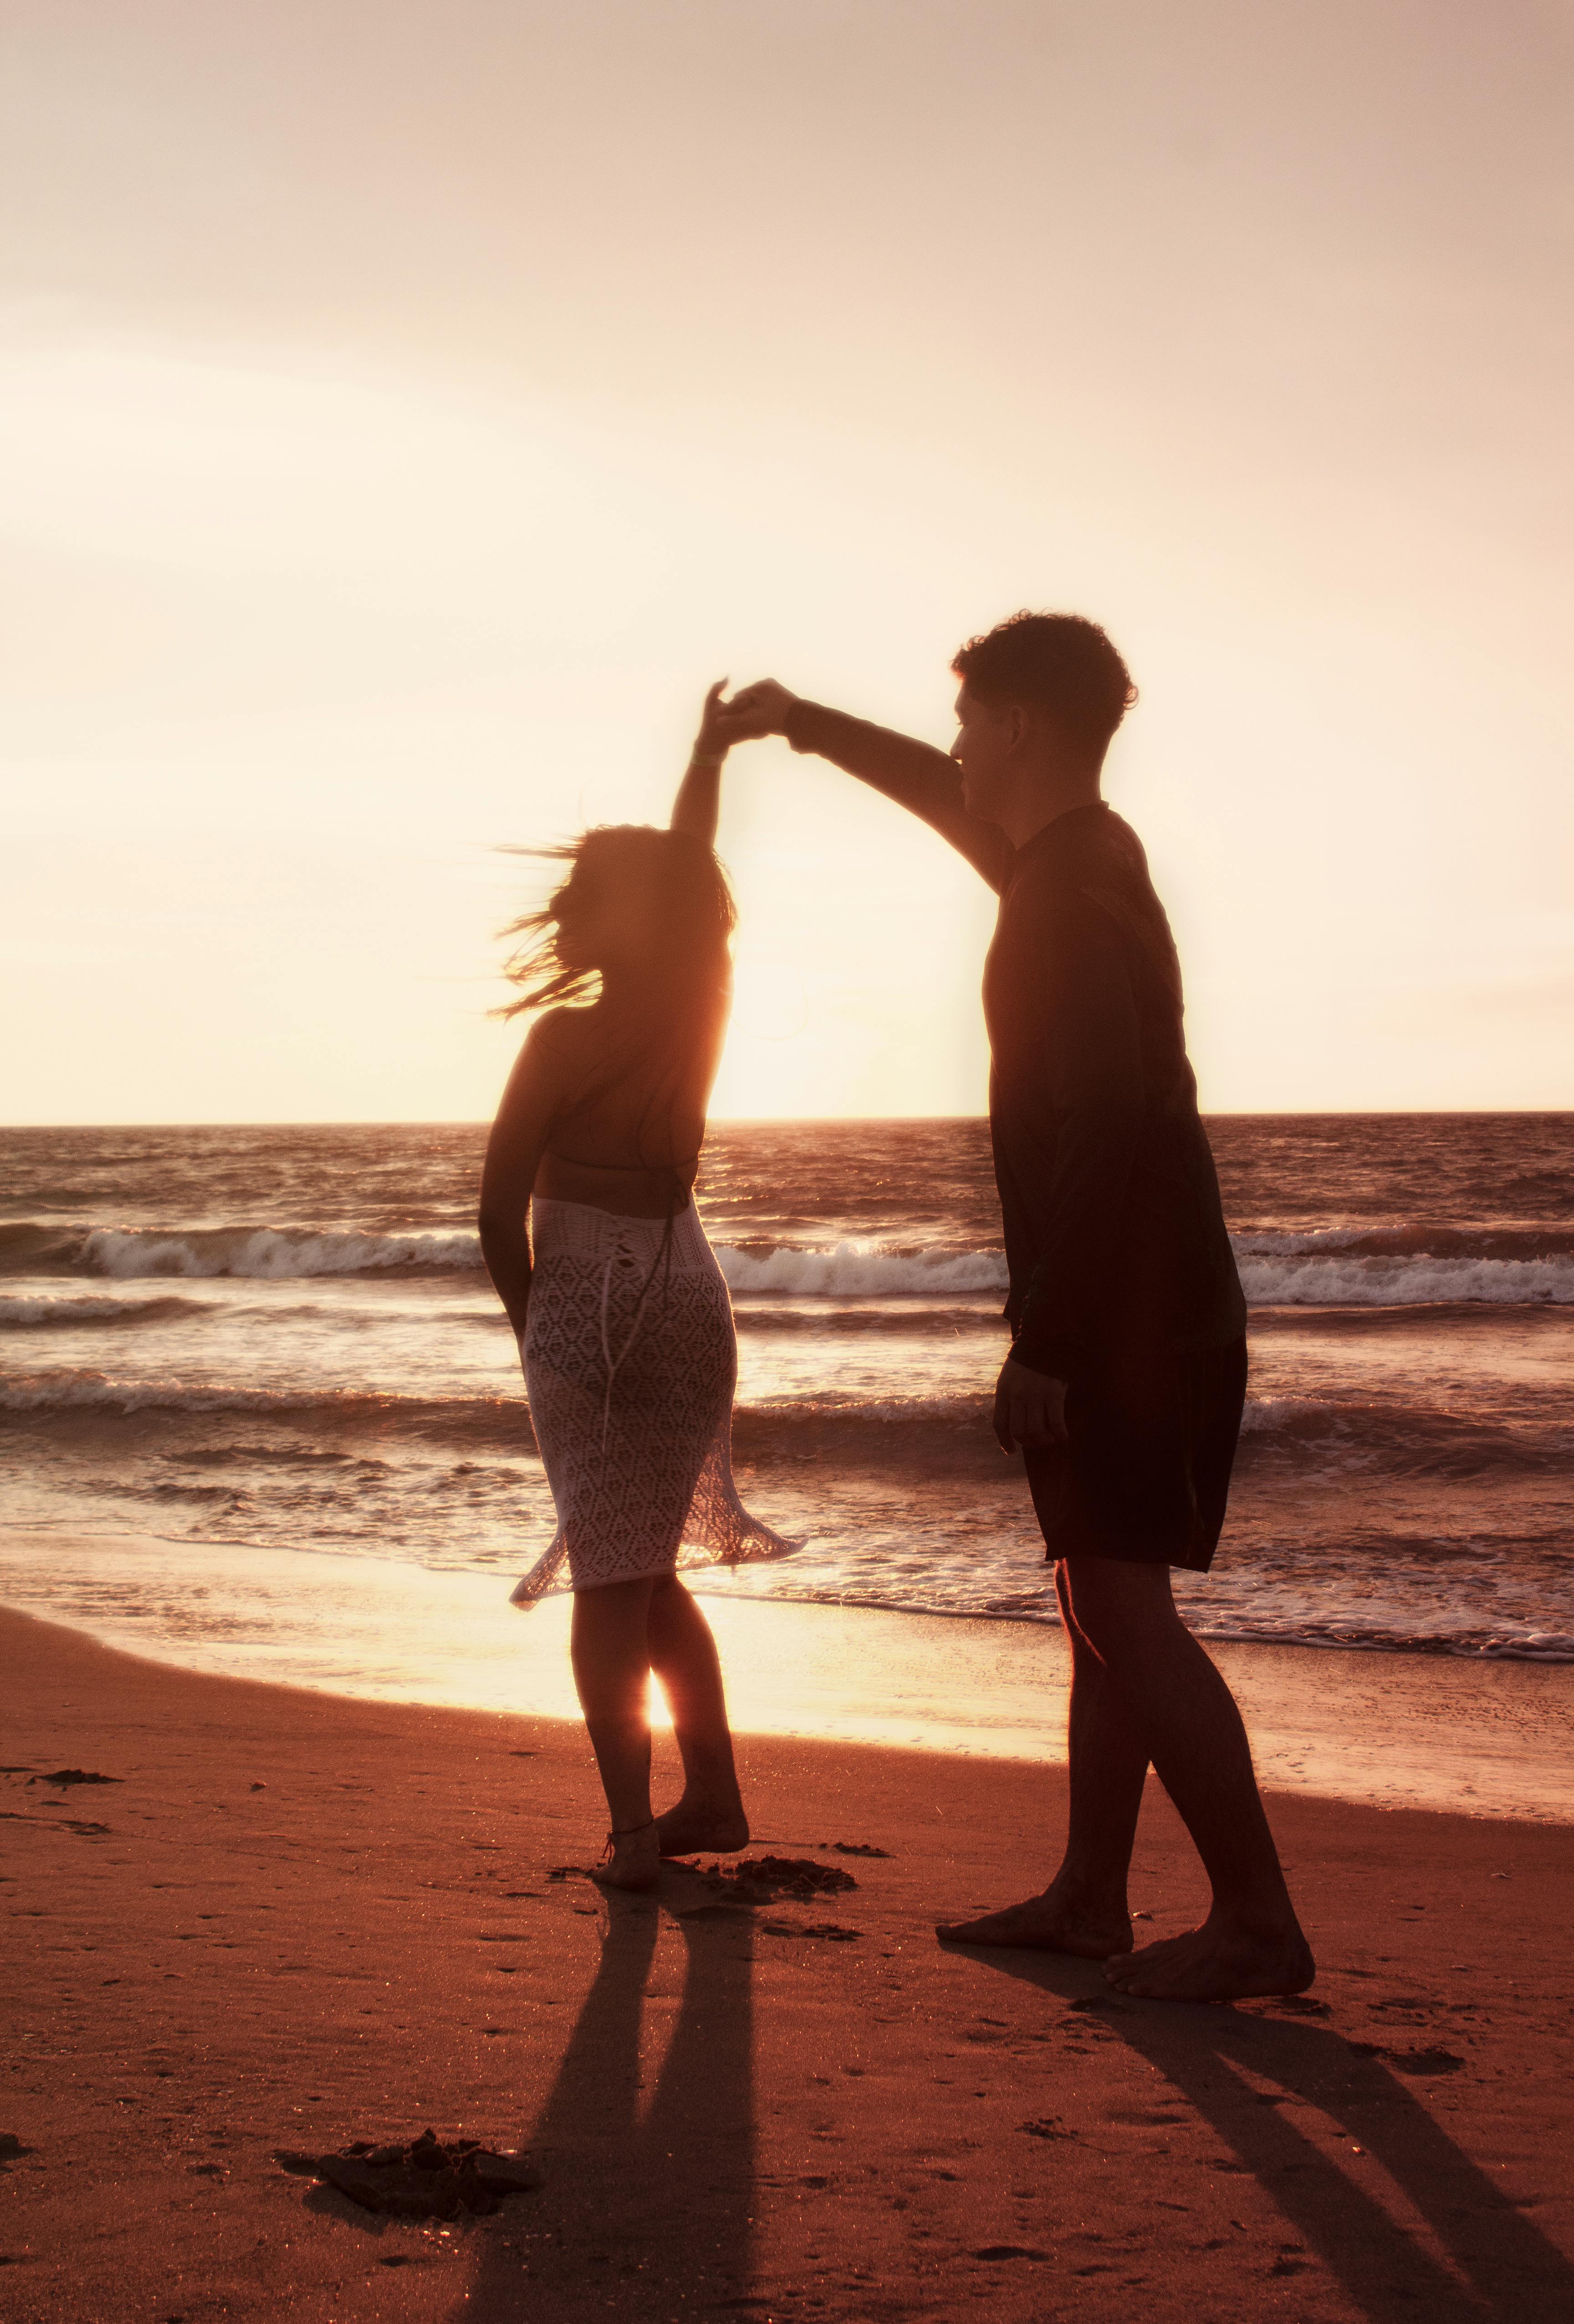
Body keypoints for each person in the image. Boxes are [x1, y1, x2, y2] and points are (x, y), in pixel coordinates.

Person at [721, 616, 1313, 2002]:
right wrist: (806, 721)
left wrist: (1047, 1338)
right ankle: (1092, 1897)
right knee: (1097, 1593)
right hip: (1161, 1301)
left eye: (973, 724)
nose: (959, 751)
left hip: (1124, 1317)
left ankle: (1258, 1919)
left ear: (1024, 729)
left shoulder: (1057, 900)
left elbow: (1108, 1123)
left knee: (1121, 1605)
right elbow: (943, 797)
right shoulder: (1086, 861)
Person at [478, 683, 795, 1894]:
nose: (560, 915)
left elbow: (495, 1210)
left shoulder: (564, 1043)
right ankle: (709, 1794)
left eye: (580, 899)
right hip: (689, 1297)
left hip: (592, 1310)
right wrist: (710, 755)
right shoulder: (696, 1009)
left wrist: (540, 1334)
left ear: (628, 915)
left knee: (611, 1584)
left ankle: (628, 1840)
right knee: (646, 1568)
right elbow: (692, 872)